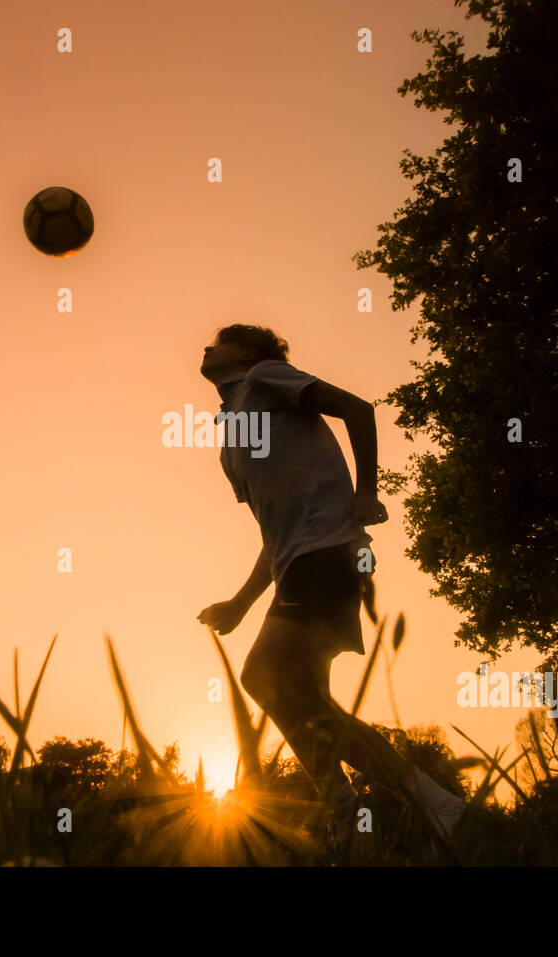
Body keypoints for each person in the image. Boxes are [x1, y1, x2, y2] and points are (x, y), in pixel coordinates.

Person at [196, 323, 466, 845]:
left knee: (265, 677)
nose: (207, 346)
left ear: (249, 352)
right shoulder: (230, 433)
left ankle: (384, 806)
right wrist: (240, 603)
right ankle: (375, 813)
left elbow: (359, 409)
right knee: (305, 701)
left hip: (331, 553)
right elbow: (273, 535)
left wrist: (367, 492)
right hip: (302, 562)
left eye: (221, 338)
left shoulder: (266, 377)